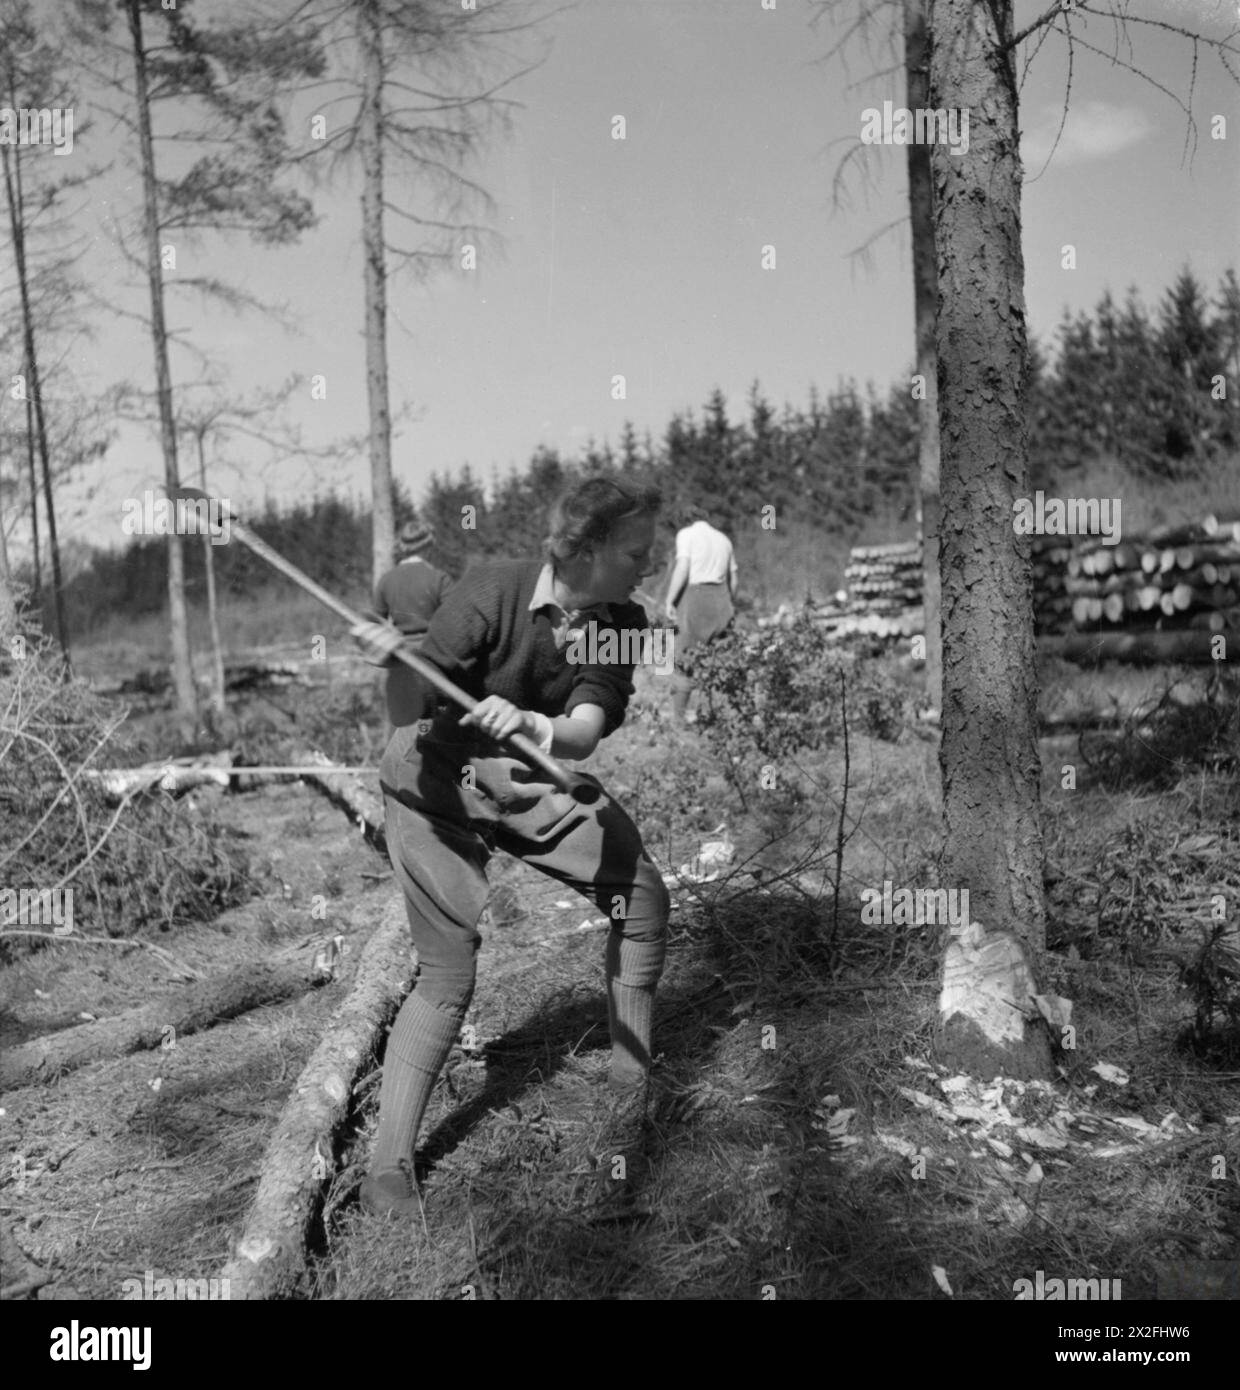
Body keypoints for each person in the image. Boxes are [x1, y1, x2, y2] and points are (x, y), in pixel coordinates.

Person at [349, 476, 669, 1217]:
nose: (646, 566)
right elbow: (419, 701)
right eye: (635, 552)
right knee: (447, 973)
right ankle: (388, 1171)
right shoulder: (493, 587)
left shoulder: (622, 619)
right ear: (585, 550)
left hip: (525, 771)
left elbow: (586, 725)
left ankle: (632, 1081)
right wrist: (399, 657)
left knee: (643, 895)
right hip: (430, 773)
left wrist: (532, 725)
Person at [369, 519, 453, 727]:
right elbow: (456, 623)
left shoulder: (386, 580)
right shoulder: (438, 578)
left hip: (400, 661)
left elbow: (375, 624)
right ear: (429, 545)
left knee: (402, 729)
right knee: (438, 728)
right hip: (435, 662)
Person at [664, 507, 738, 724]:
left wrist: (670, 599)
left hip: (696, 597)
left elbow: (683, 567)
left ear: (685, 522)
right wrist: (729, 605)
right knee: (722, 661)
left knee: (683, 661)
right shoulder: (724, 539)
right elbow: (734, 579)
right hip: (722, 596)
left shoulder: (686, 535)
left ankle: (678, 720)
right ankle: (730, 717)